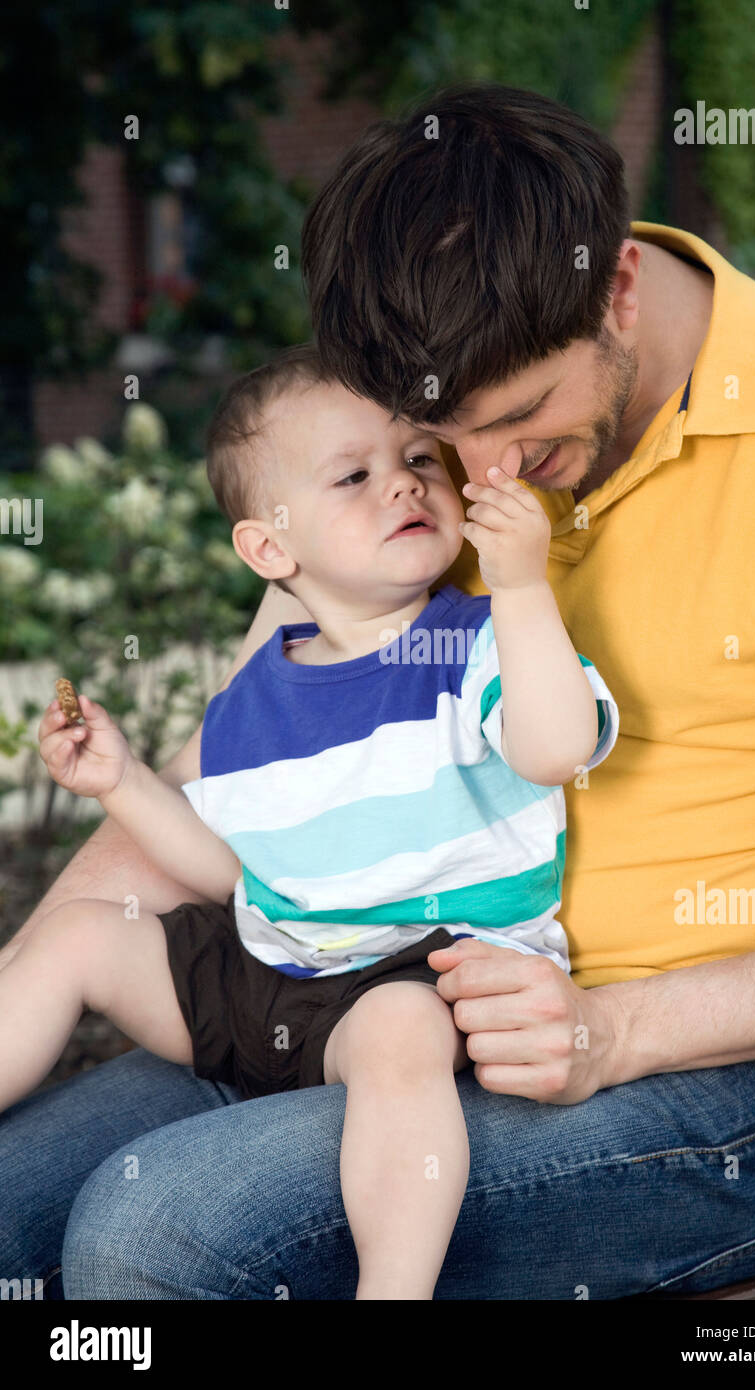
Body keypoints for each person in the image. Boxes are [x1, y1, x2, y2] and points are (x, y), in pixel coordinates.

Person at [2, 82, 755, 1301]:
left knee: (156, 1238)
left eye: (518, 422)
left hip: (726, 1074)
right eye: (438, 436)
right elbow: (248, 762)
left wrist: (611, 1030)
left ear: (614, 287)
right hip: (362, 983)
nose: (476, 476)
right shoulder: (416, 465)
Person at [0, 345, 617, 1300]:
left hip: (420, 970)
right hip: (275, 974)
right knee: (82, 935)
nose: (404, 486)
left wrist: (526, 589)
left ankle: (394, 1292)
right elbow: (230, 869)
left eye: (419, 459)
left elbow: (554, 750)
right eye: (354, 475)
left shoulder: (474, 639)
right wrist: (123, 784)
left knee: (403, 1036)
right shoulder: (260, 692)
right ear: (270, 550)